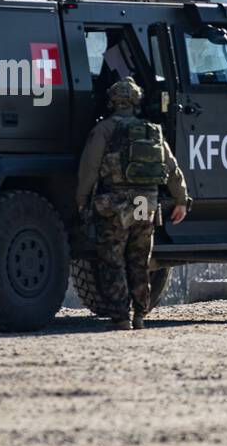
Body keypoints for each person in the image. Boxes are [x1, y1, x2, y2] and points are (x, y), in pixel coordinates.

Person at [76, 78, 191, 329]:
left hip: (115, 206)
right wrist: (181, 199)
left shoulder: (104, 130)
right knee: (140, 260)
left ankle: (120, 317)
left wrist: (82, 201)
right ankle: (139, 314)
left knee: (113, 260)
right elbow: (171, 168)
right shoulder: (152, 130)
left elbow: (90, 169)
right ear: (136, 101)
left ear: (112, 102)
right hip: (146, 205)